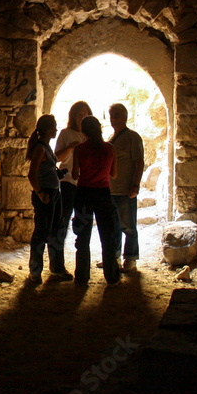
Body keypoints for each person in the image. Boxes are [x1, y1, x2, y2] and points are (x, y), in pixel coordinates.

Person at [71, 115, 120, 285]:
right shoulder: (110, 148)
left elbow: (74, 174)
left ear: (84, 131)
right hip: (103, 194)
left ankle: (82, 277)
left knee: (83, 238)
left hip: (84, 194)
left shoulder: (79, 149)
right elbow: (114, 174)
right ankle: (112, 276)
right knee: (108, 237)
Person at [25, 114, 73, 283]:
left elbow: (47, 169)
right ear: (46, 129)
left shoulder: (46, 147)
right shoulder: (40, 149)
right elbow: (32, 175)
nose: (56, 128)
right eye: (53, 126)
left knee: (55, 231)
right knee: (41, 233)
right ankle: (35, 272)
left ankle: (55, 268)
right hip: (46, 195)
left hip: (53, 194)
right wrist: (40, 193)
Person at [54, 101, 91, 270]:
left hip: (84, 184)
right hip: (68, 183)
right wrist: (70, 148)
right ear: (73, 116)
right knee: (62, 222)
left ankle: (82, 269)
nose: (82, 117)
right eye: (79, 114)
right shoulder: (65, 133)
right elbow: (57, 158)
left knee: (83, 225)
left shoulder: (91, 137)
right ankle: (57, 266)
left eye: (85, 114)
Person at [108, 103, 145, 273]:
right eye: (111, 115)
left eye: (116, 115)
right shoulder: (111, 138)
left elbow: (139, 162)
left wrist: (135, 185)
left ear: (125, 117)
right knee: (113, 226)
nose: (113, 119)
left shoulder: (132, 137)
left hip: (125, 189)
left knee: (128, 226)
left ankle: (130, 260)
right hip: (111, 190)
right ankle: (114, 259)